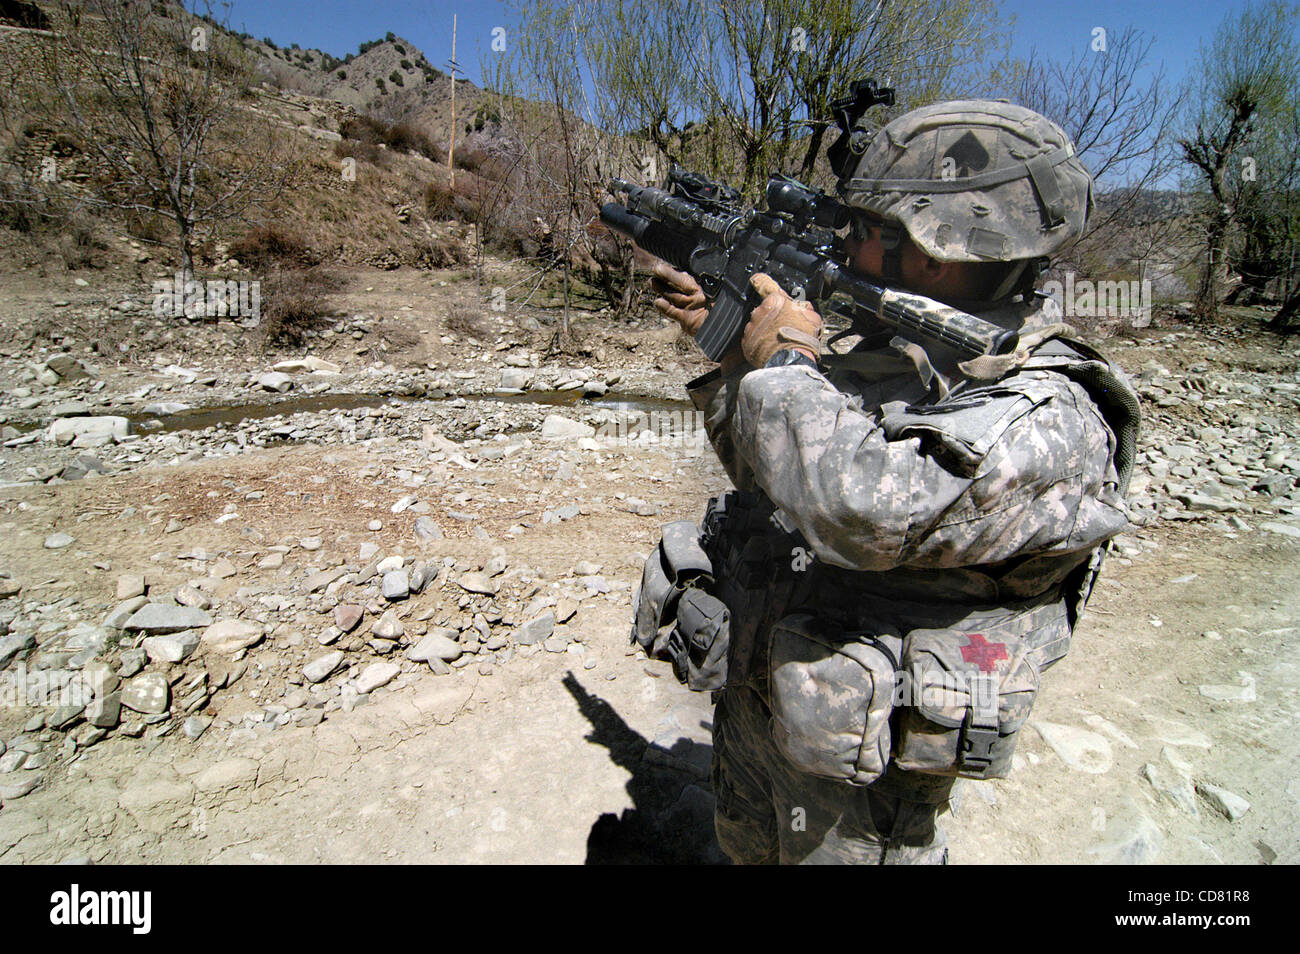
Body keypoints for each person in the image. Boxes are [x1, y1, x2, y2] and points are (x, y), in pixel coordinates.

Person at [636, 100, 1141, 864]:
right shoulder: (901, 355)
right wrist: (737, 353)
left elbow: (861, 512)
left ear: (938, 249)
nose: (847, 243)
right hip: (772, 713)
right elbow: (781, 481)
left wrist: (783, 364)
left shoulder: (1053, 412)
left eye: (869, 230)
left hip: (861, 785)